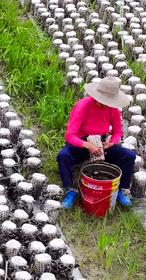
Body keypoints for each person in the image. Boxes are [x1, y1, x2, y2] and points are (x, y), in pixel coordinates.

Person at [58, 76, 136, 210]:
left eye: (109, 101)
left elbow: (118, 131)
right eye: (103, 101)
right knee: (63, 156)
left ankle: (120, 190)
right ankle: (70, 189)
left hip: (100, 142)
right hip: (81, 142)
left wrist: (111, 142)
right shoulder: (83, 106)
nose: (105, 104)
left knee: (129, 156)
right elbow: (69, 136)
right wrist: (88, 145)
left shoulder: (113, 110)